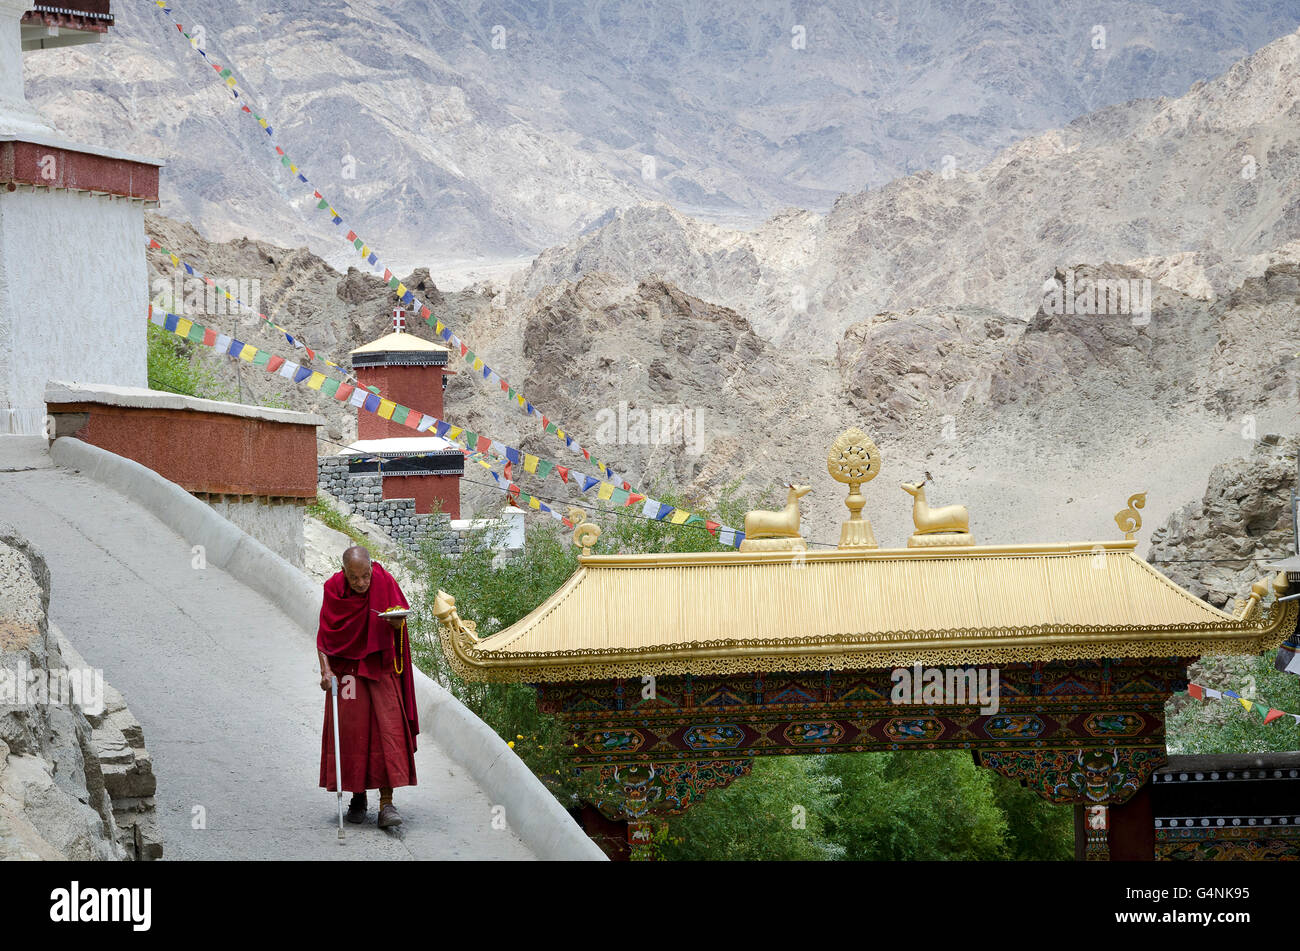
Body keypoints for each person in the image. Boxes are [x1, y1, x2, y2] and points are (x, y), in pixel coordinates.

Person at [316, 545, 418, 828]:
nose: (361, 583)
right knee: (352, 735)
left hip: (380, 668)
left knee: (389, 733)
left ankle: (387, 803)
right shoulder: (334, 589)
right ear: (344, 573)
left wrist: (397, 625)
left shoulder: (385, 581)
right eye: (354, 578)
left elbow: (399, 619)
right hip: (348, 673)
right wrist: (325, 671)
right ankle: (357, 797)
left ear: (372, 569)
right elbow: (324, 635)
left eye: (365, 576)